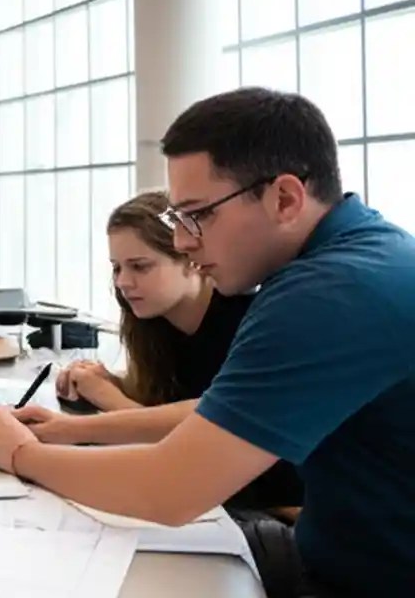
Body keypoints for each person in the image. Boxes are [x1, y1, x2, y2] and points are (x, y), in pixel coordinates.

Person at [0, 88, 415, 596]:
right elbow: (224, 411)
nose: (182, 241)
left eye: (198, 215)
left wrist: (20, 455)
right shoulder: (365, 255)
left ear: (285, 198)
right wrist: (65, 433)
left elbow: (170, 490)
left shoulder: (328, 294)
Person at [20, 190, 301, 513]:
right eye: (117, 268)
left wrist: (107, 401)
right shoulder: (159, 324)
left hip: (273, 510)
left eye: (140, 267)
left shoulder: (246, 323)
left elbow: (203, 426)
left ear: (190, 260)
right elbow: (167, 405)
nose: (123, 282)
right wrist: (108, 381)